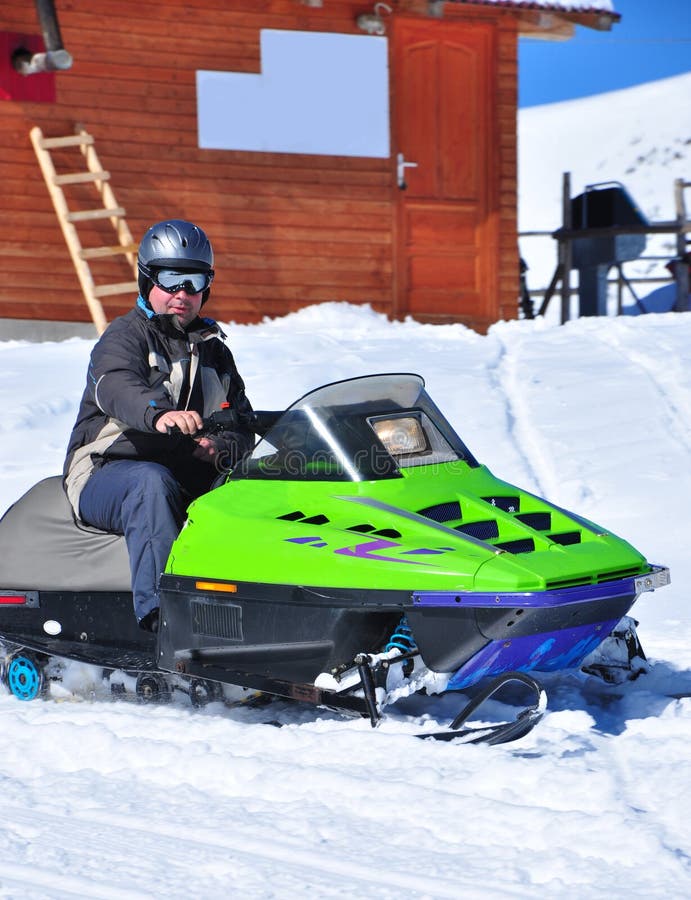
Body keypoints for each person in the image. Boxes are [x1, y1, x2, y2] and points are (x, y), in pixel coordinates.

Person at [63, 219, 255, 632]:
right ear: (147, 279)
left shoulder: (215, 352)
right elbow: (116, 385)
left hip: (181, 470)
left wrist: (221, 448)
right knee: (149, 482)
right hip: (106, 472)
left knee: (254, 491)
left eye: (194, 280)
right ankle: (163, 619)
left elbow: (242, 424)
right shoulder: (124, 337)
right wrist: (158, 413)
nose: (182, 293)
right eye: (170, 280)